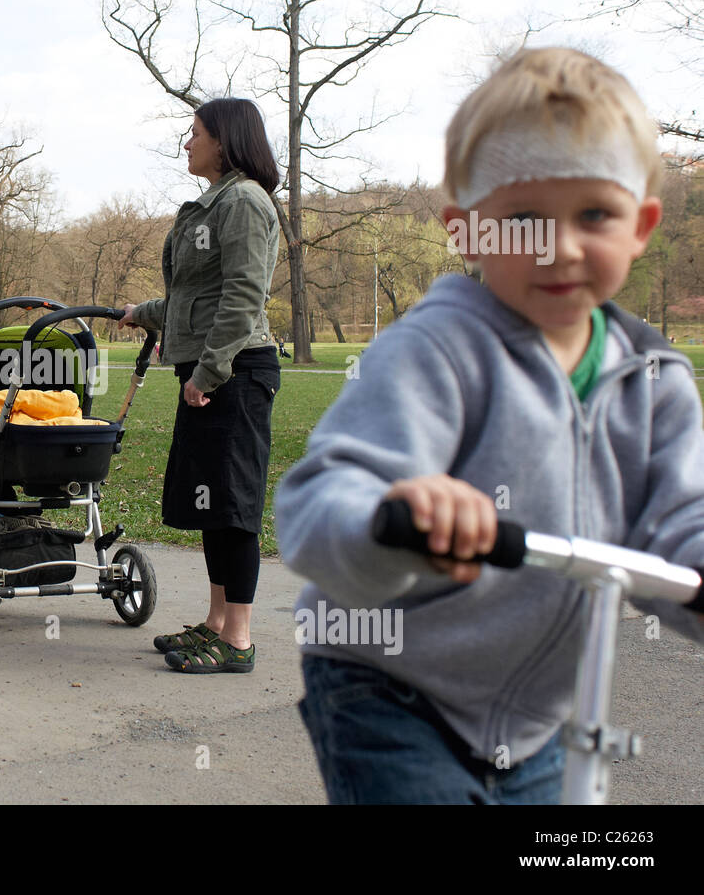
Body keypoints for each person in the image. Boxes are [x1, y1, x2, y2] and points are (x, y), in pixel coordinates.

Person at [274, 47, 704, 803]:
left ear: (640, 226)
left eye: (595, 215)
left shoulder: (656, 381)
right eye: (525, 219)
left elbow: (677, 531)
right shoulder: (438, 349)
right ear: (467, 232)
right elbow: (319, 501)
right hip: (388, 685)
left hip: (534, 725)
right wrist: (395, 517)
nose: (561, 246)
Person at [119, 97, 281, 674]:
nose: (187, 144)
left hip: (235, 373)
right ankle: (216, 623)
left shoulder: (243, 202)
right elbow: (195, 299)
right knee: (212, 505)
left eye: (195, 134)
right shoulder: (215, 204)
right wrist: (142, 311)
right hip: (210, 372)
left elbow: (243, 297)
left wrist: (209, 373)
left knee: (233, 506)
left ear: (224, 140)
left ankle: (237, 638)